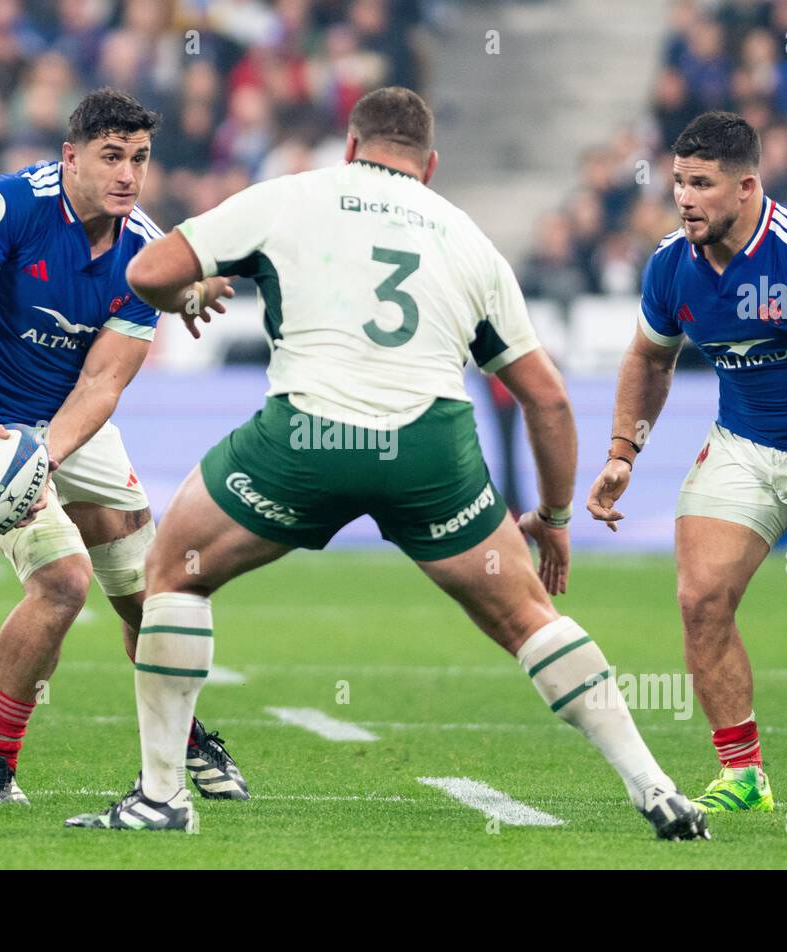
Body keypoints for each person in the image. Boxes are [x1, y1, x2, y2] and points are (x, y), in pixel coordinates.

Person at [64, 87, 709, 841]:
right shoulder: (466, 236)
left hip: (305, 440)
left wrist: (193, 289)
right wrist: (555, 519)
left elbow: (146, 271)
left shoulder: (293, 194)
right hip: (428, 450)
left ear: (349, 147)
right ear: (429, 166)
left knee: (174, 570)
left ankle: (163, 797)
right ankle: (655, 785)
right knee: (529, 613)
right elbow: (549, 400)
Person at [0, 89, 248, 805]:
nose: (127, 174)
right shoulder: (12, 207)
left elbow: (99, 387)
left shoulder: (146, 257)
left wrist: (44, 462)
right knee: (62, 583)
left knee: (150, 594)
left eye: (140, 159)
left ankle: (181, 739)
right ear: (71, 158)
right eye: (111, 156)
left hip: (69, 426)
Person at [586, 112, 787, 812]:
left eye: (701, 184)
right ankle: (743, 773)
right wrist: (623, 451)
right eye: (678, 182)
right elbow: (649, 355)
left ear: (746, 187)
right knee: (700, 598)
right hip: (741, 446)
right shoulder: (673, 264)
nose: (684, 198)